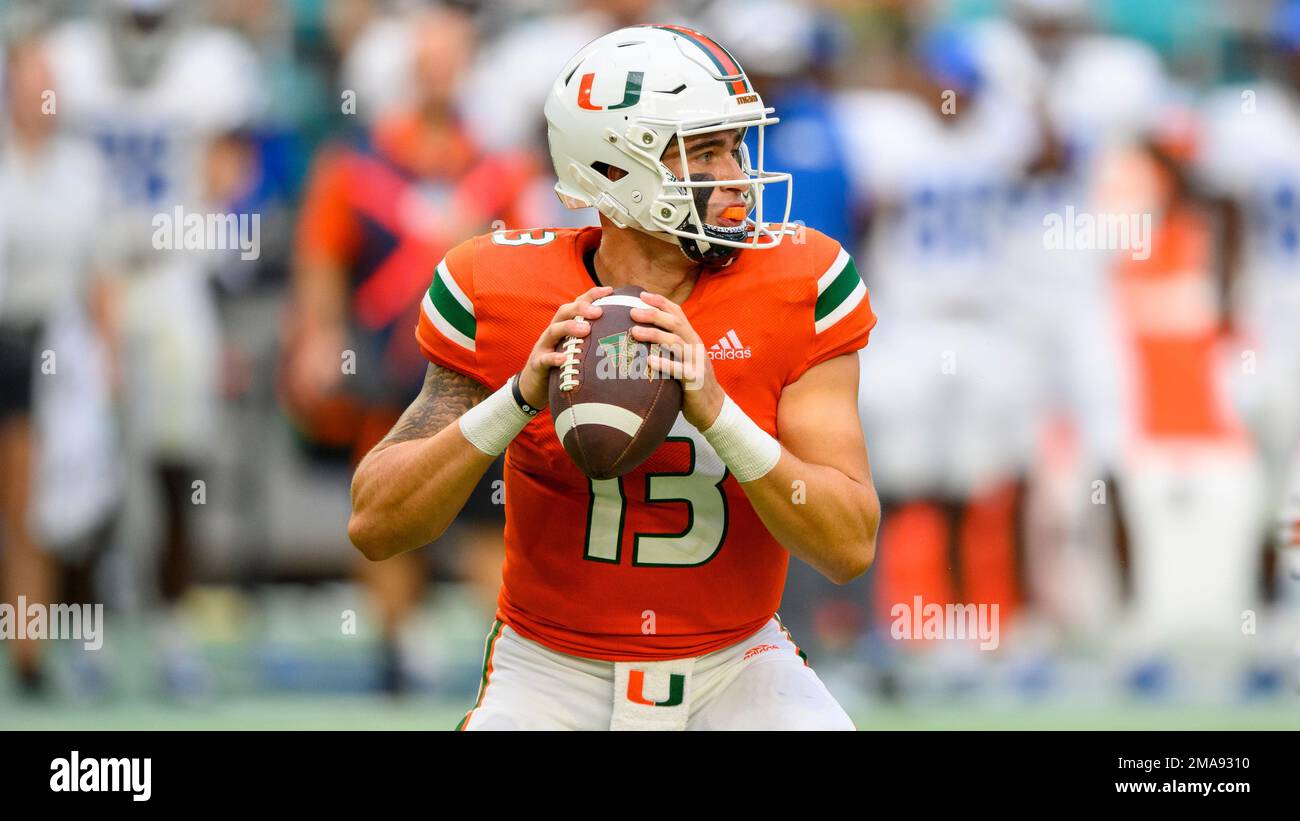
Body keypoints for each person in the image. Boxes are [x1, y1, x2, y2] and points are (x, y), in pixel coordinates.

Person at [348, 24, 880, 730]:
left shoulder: (799, 281)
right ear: (613, 170)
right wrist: (516, 399)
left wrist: (718, 413)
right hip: (549, 672)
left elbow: (848, 546)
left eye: (734, 146)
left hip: (735, 664)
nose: (735, 177)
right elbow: (375, 522)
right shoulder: (500, 288)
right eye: (704, 151)